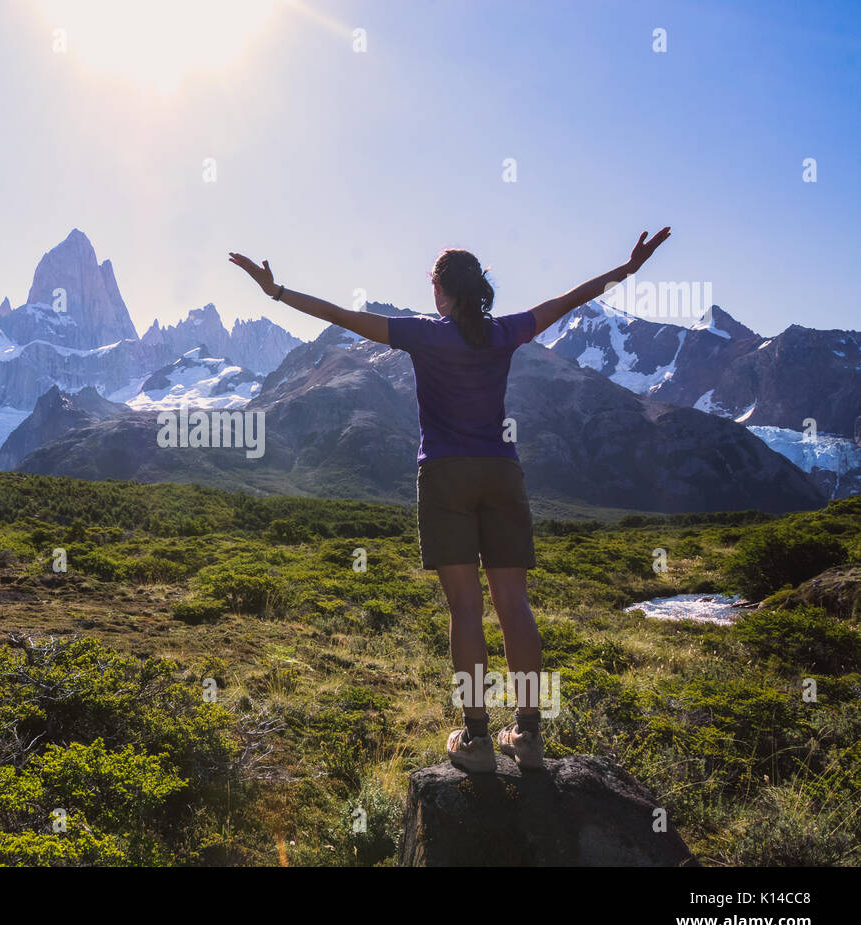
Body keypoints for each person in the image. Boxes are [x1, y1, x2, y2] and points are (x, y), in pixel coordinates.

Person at [228, 228, 671, 772]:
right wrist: (626, 270)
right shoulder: (505, 331)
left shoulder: (423, 334)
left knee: (465, 609)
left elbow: (341, 316)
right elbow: (568, 300)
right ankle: (529, 737)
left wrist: (277, 293)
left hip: (445, 477)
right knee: (515, 606)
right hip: (502, 474)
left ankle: (478, 739)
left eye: (433, 282)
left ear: (441, 291)